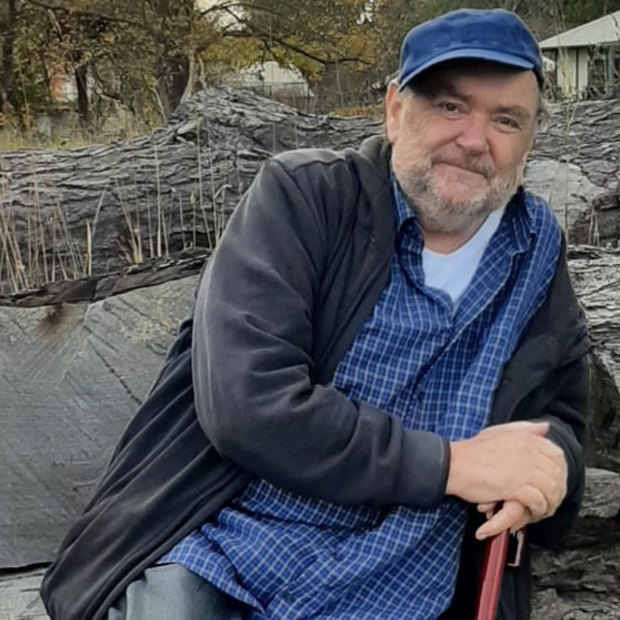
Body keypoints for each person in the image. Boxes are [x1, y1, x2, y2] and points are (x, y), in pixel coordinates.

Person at [41, 8, 589, 620]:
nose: (473, 139)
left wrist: (551, 471)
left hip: (409, 578)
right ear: (393, 110)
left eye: (505, 119)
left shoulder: (535, 248)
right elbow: (248, 404)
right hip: (229, 546)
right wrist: (452, 465)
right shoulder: (304, 199)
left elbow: (561, 416)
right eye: (450, 106)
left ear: (530, 140)